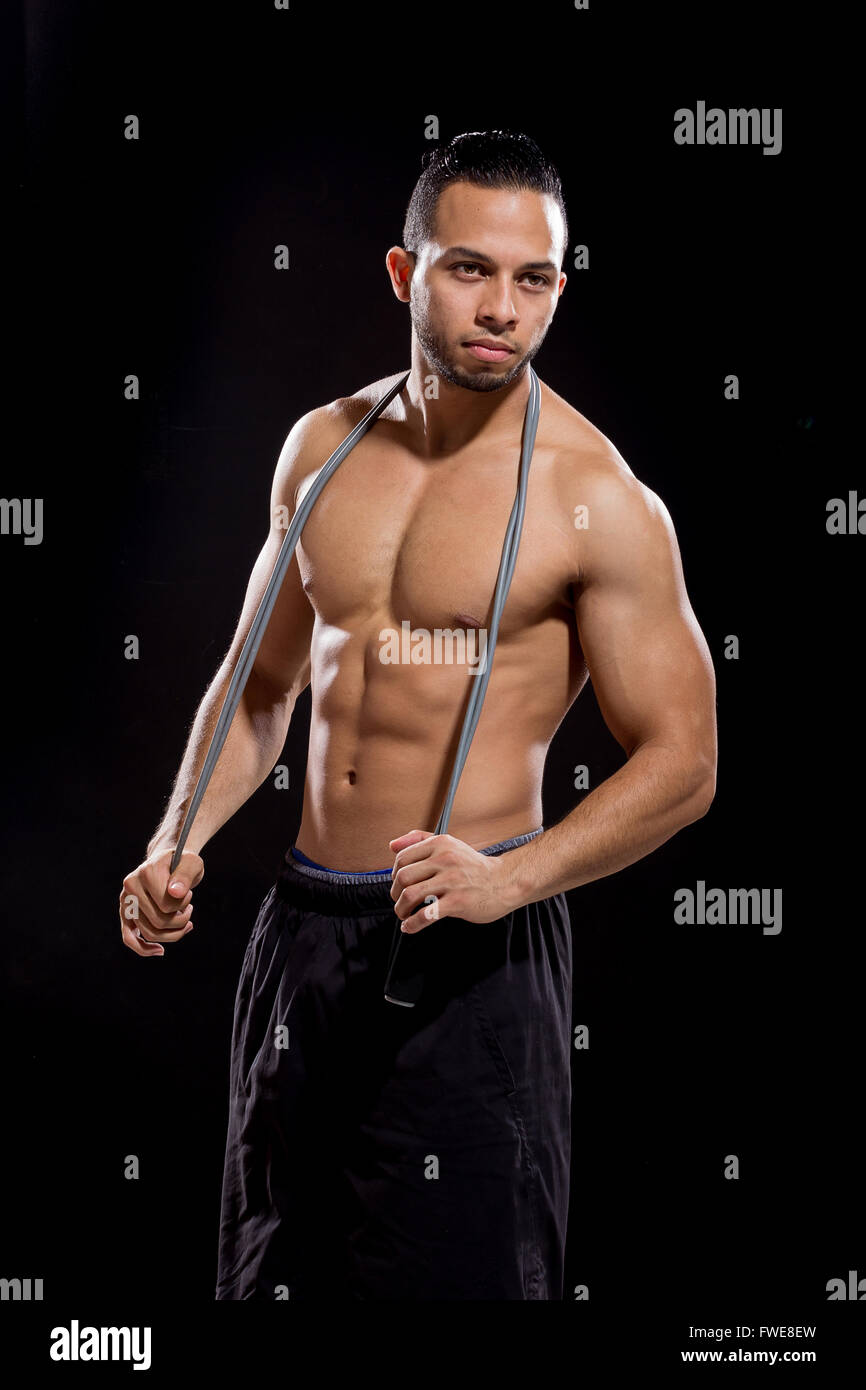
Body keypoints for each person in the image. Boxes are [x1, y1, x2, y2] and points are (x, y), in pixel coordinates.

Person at [118, 130, 717, 1300]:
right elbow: (261, 684)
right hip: (300, 934)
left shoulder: (596, 499)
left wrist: (513, 876)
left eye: (532, 278)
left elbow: (686, 762)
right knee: (270, 1273)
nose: (501, 307)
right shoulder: (322, 449)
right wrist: (175, 838)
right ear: (404, 274)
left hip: (471, 948)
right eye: (468, 269)